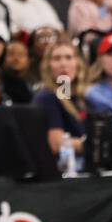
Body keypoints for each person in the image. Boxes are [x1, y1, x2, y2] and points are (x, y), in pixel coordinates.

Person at [31, 32, 88, 174]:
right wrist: (91, 145)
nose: (63, 64)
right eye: (57, 58)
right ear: (48, 65)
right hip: (60, 173)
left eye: (68, 57)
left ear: (77, 63)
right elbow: (56, 144)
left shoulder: (76, 96)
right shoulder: (47, 98)